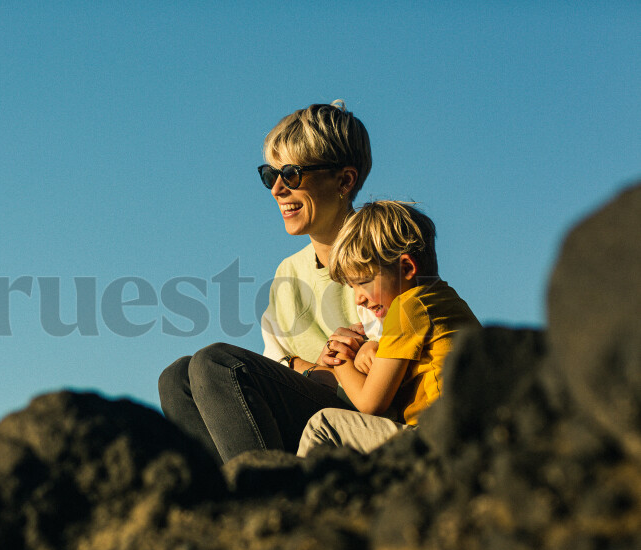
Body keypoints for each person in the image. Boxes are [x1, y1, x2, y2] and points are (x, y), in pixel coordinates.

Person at [158, 100, 379, 463]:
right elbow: (276, 361)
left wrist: (324, 367)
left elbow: (398, 346)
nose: (277, 189)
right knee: (176, 378)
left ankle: (269, 497)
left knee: (216, 364)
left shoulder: (381, 254)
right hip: (313, 405)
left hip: (360, 417)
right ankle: (226, 502)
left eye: (292, 175)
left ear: (344, 180)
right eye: (269, 175)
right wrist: (313, 368)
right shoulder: (288, 273)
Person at [297, 201, 480, 456]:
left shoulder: (408, 307)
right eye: (353, 288)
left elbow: (370, 403)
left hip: (441, 439)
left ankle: (292, 494)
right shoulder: (444, 300)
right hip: (471, 435)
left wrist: (341, 360)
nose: (359, 298)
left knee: (324, 425)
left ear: (406, 268)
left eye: (363, 282)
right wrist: (371, 348)